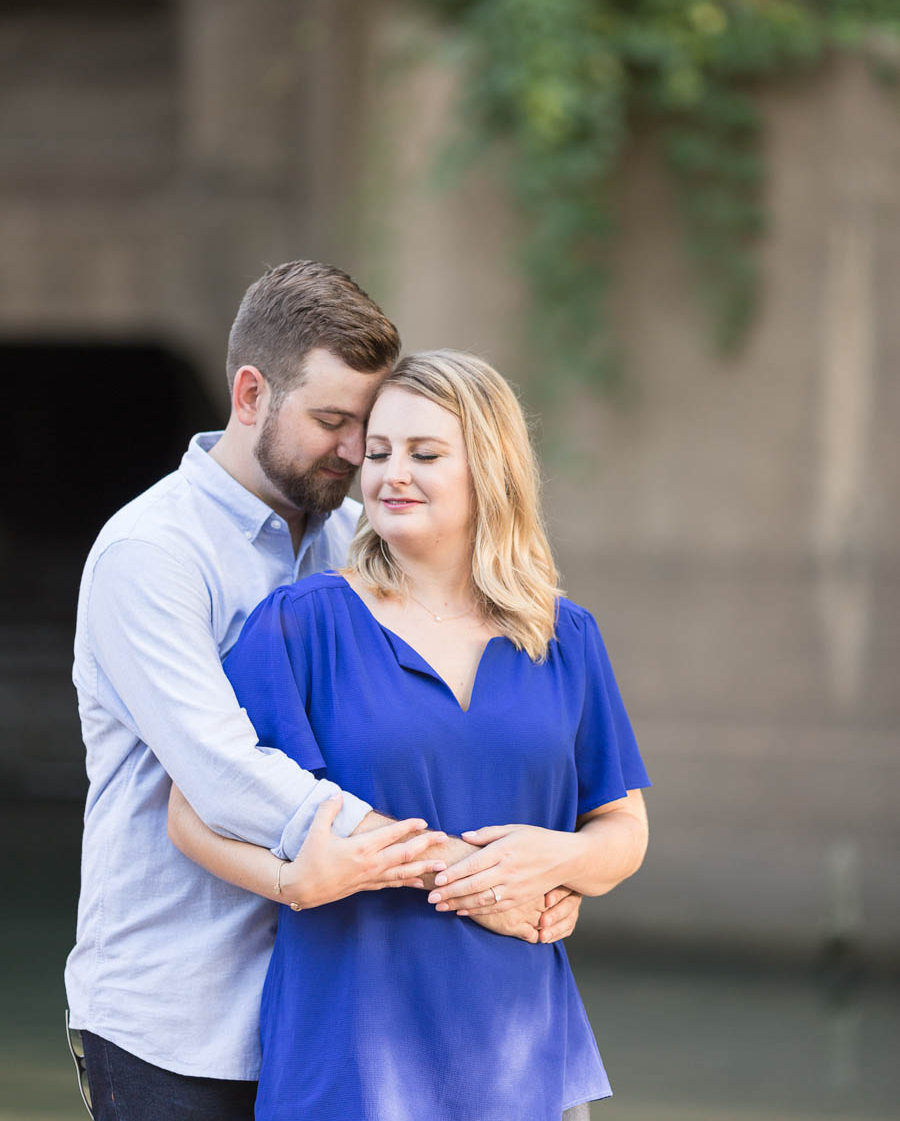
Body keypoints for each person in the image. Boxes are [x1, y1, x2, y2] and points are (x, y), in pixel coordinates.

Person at [65, 262, 582, 1121]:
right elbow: (225, 775)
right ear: (250, 393)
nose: (356, 454)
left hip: (341, 1015)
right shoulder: (149, 555)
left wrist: (554, 864)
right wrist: (476, 877)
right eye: (334, 422)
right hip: (180, 1020)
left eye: (368, 429)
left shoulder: (361, 538)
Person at [168, 349, 652, 1121]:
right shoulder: (304, 626)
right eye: (380, 452)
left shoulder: (564, 636)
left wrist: (558, 859)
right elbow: (191, 813)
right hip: (351, 1059)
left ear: (489, 470)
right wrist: (294, 883)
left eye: (425, 454)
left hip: (525, 1060)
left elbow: (623, 827)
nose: (393, 474)